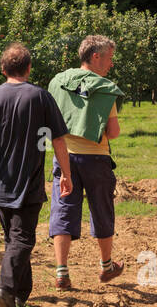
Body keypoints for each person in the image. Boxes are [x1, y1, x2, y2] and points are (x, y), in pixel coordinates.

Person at [0, 43, 73, 307]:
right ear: (29, 68)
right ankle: (5, 288)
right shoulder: (40, 97)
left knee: (13, 239)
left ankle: (19, 292)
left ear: (3, 69)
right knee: (22, 239)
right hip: (29, 181)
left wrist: (4, 144)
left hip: (1, 182)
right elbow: (59, 139)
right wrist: (66, 173)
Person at [46, 34, 124, 290]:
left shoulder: (58, 81)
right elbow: (112, 132)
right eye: (109, 58)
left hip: (64, 156)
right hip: (96, 158)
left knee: (64, 207)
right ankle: (105, 266)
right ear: (95, 56)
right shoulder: (104, 87)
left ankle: (61, 271)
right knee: (101, 208)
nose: (111, 64)